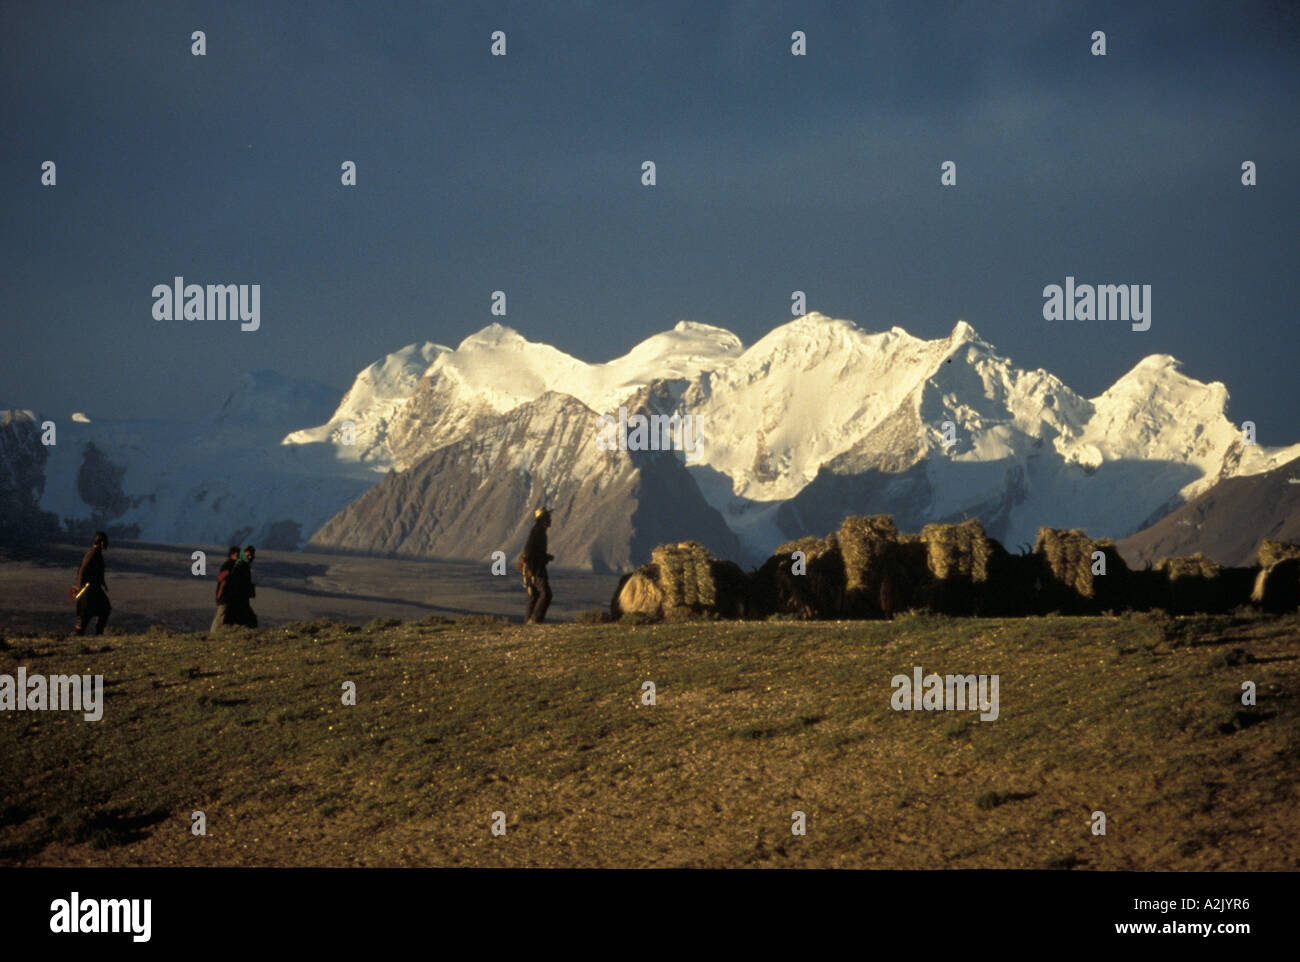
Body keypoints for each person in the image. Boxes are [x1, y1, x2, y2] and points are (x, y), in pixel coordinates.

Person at [519, 507, 554, 624]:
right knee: (546, 594)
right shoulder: (538, 532)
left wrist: (545, 557)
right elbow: (529, 552)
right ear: (544, 519)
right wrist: (532, 569)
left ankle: (528, 622)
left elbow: (532, 551)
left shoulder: (537, 531)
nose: (550, 519)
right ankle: (534, 621)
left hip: (532, 568)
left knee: (533, 595)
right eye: (548, 517)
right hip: (536, 569)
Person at [73, 531, 111, 636]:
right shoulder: (92, 553)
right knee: (86, 614)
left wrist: (103, 583)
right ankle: (83, 636)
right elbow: (82, 570)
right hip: (89, 589)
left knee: (104, 609)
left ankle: (98, 634)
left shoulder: (96, 553)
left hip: (94, 588)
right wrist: (79, 587)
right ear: (102, 543)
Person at [224, 545, 259, 628]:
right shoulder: (241, 565)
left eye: (252, 555)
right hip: (237, 599)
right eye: (248, 555)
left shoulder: (243, 565)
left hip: (240, 599)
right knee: (250, 621)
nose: (250, 557)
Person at [209, 546, 240, 632]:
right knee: (221, 615)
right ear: (232, 554)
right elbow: (222, 578)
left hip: (227, 595)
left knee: (226, 615)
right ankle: (214, 633)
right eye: (236, 554)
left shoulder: (232, 564)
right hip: (225, 595)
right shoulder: (229, 565)